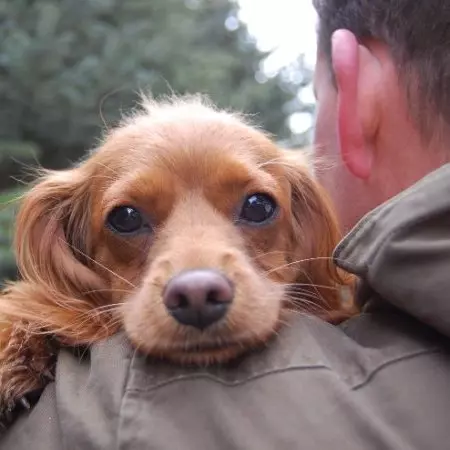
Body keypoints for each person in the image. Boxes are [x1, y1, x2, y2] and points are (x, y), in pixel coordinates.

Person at [2, 1, 450, 448]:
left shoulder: (77, 415)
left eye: (257, 208)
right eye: (128, 219)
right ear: (72, 246)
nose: (197, 281)